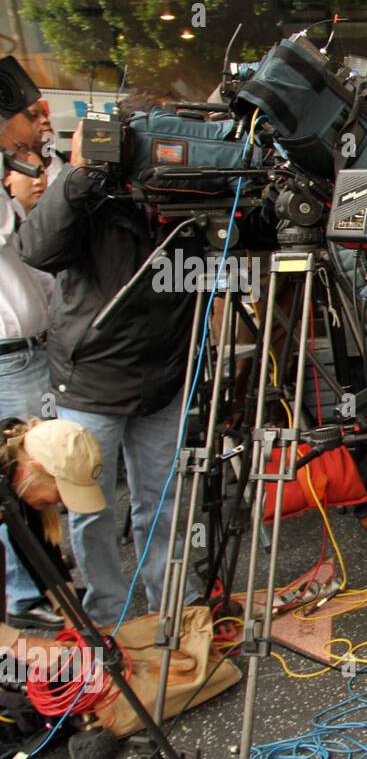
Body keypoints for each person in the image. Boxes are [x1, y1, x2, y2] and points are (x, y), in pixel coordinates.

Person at [14, 93, 244, 627]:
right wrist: (81, 175)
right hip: (92, 379)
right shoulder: (87, 195)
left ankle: (176, 603)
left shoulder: (184, 196)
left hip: (165, 372)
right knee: (91, 509)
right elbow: (37, 249)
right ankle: (107, 613)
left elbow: (239, 242)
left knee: (162, 500)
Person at [0, 147, 60, 629]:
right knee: (22, 480)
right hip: (9, 362)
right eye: (26, 171)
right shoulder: (6, 217)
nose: (36, 179)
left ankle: (48, 582)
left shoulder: (22, 223)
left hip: (35, 352)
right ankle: (26, 595)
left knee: (43, 478)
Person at [0, 417, 105, 657]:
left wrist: (75, 617)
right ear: (34, 467)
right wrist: (22, 646)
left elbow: (39, 547)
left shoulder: (15, 468)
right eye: (60, 492)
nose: (62, 502)